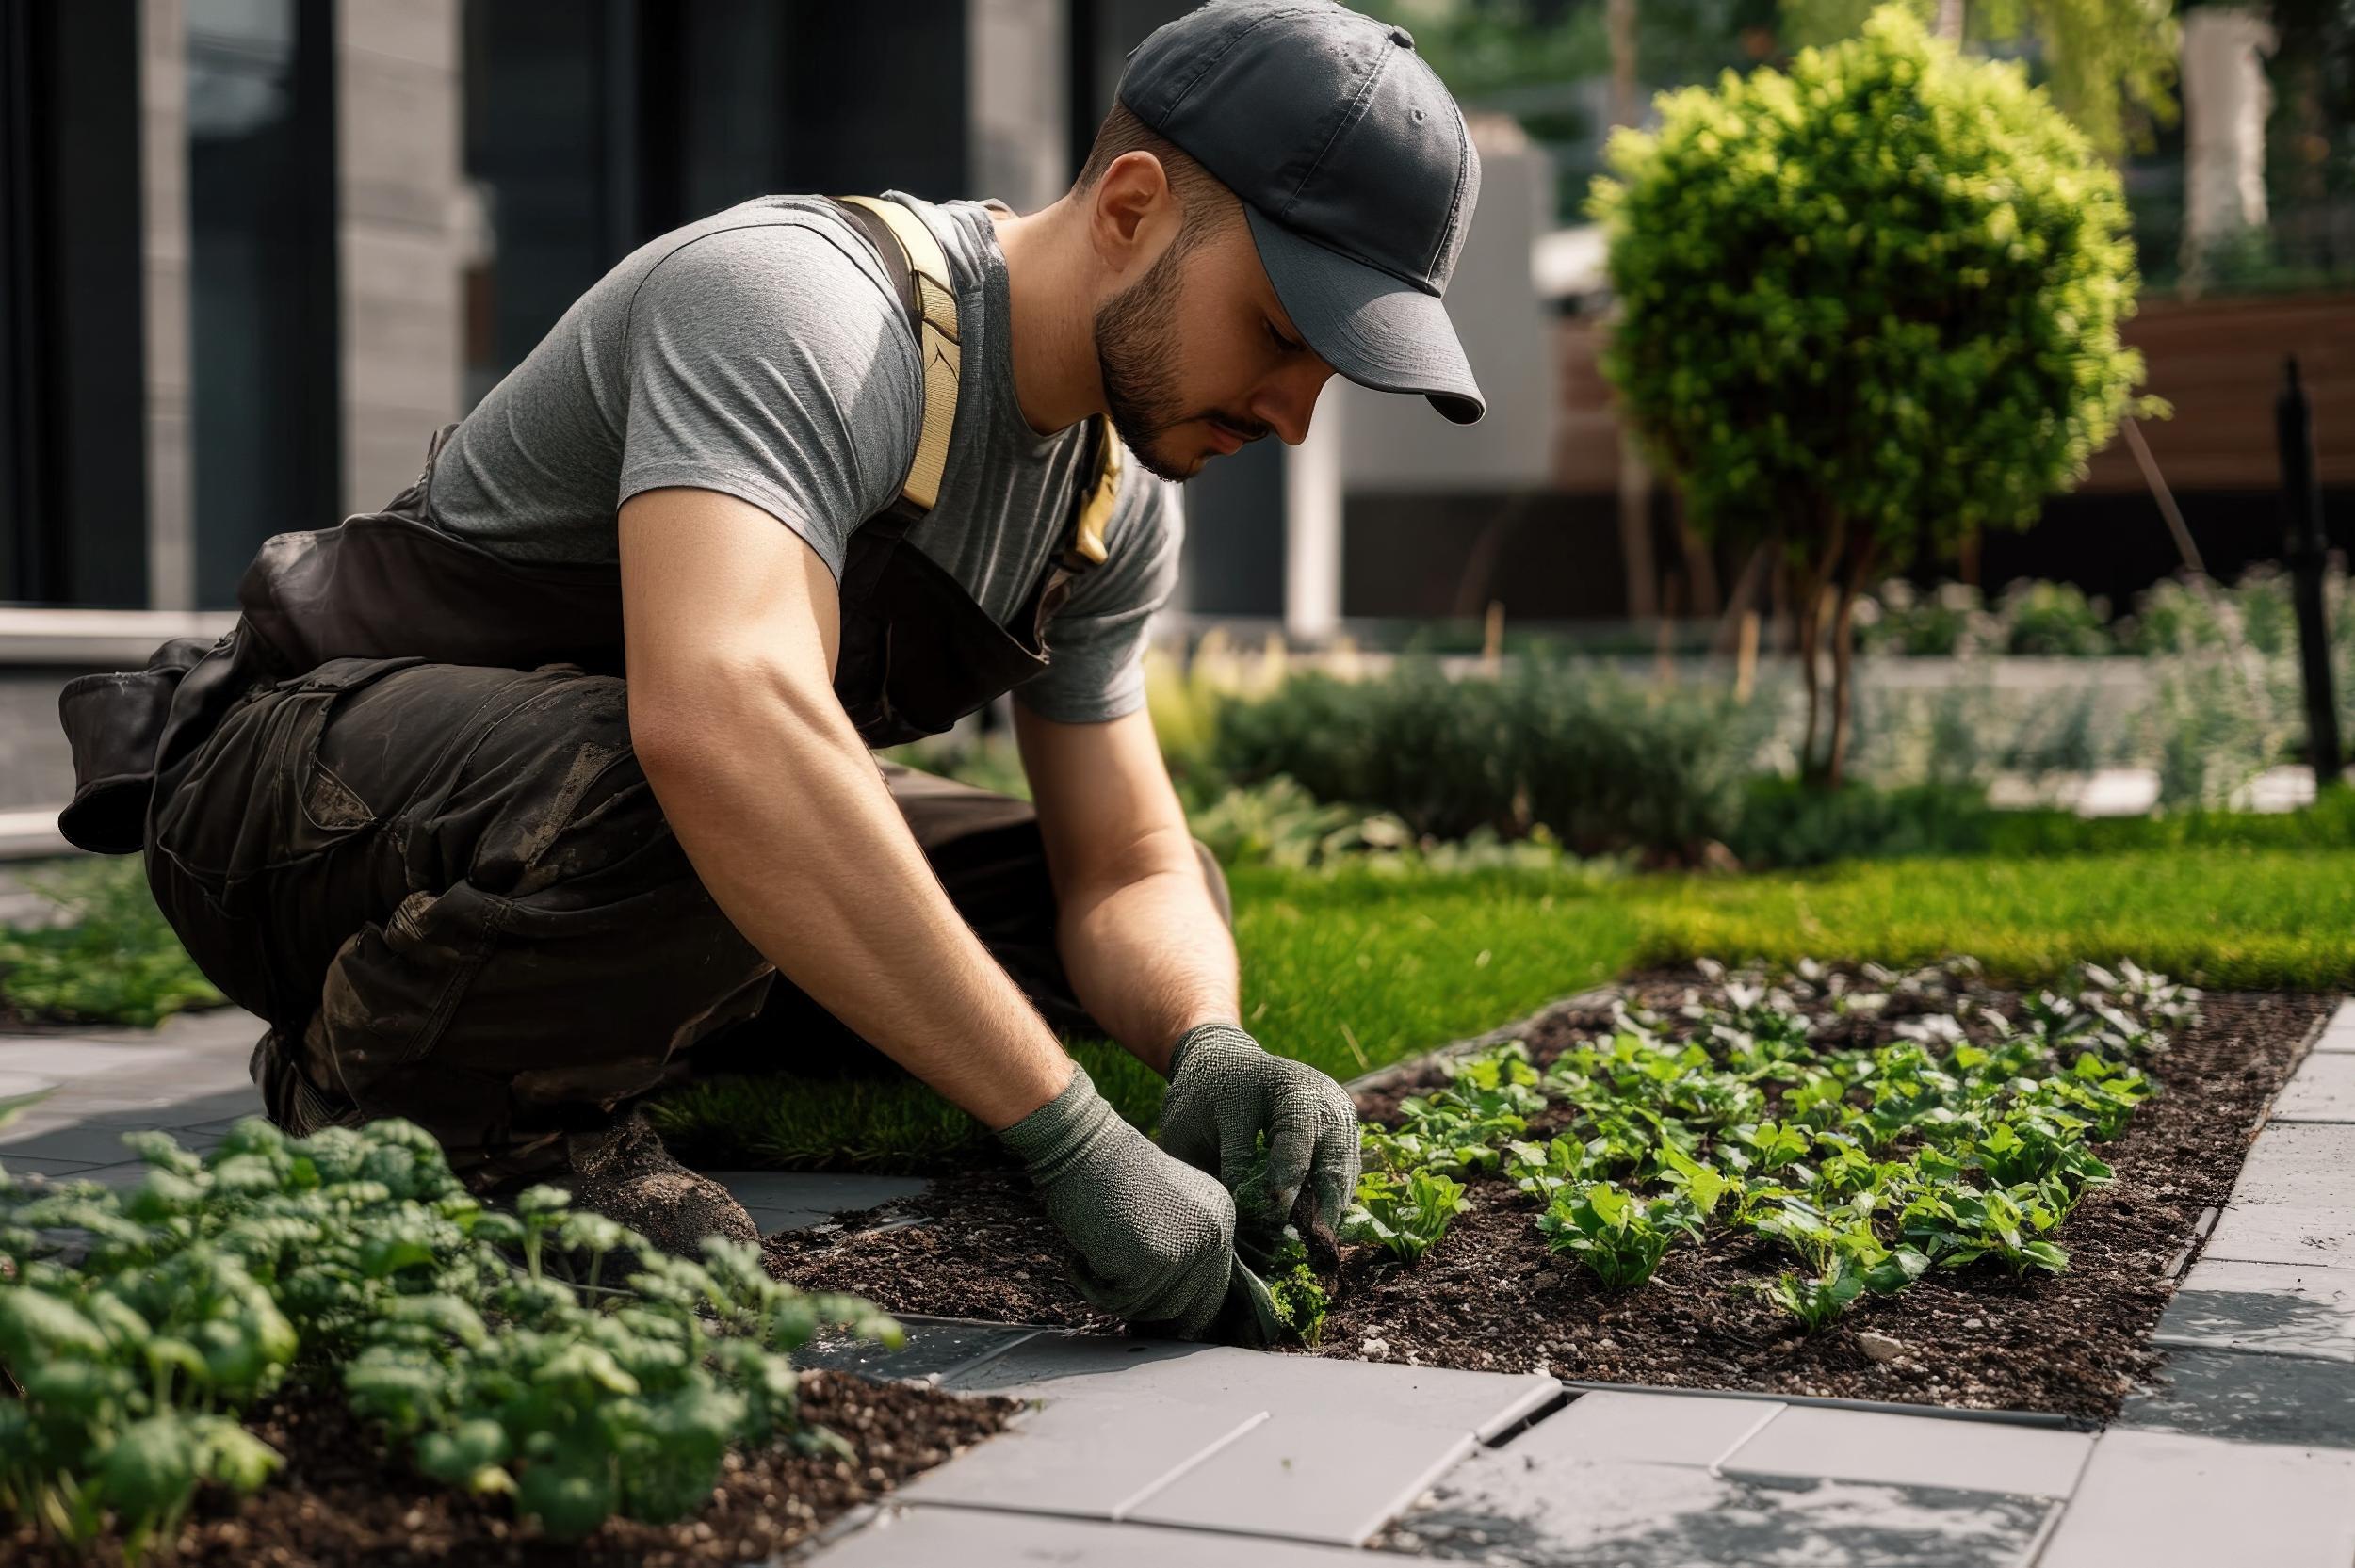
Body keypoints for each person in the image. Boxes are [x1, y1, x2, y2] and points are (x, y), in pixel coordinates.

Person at [58, 0, 1486, 1346]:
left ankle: (609, 1020)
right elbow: (723, 723)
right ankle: (418, 1101)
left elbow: (1124, 861)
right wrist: (1067, 1134)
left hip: (579, 810)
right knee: (731, 773)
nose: (1295, 416)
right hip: (289, 804)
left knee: (1052, 900)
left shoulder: (1107, 505)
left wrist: (1207, 1040)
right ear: (1129, 209)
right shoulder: (808, 306)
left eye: (1332, 372)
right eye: (1283, 334)